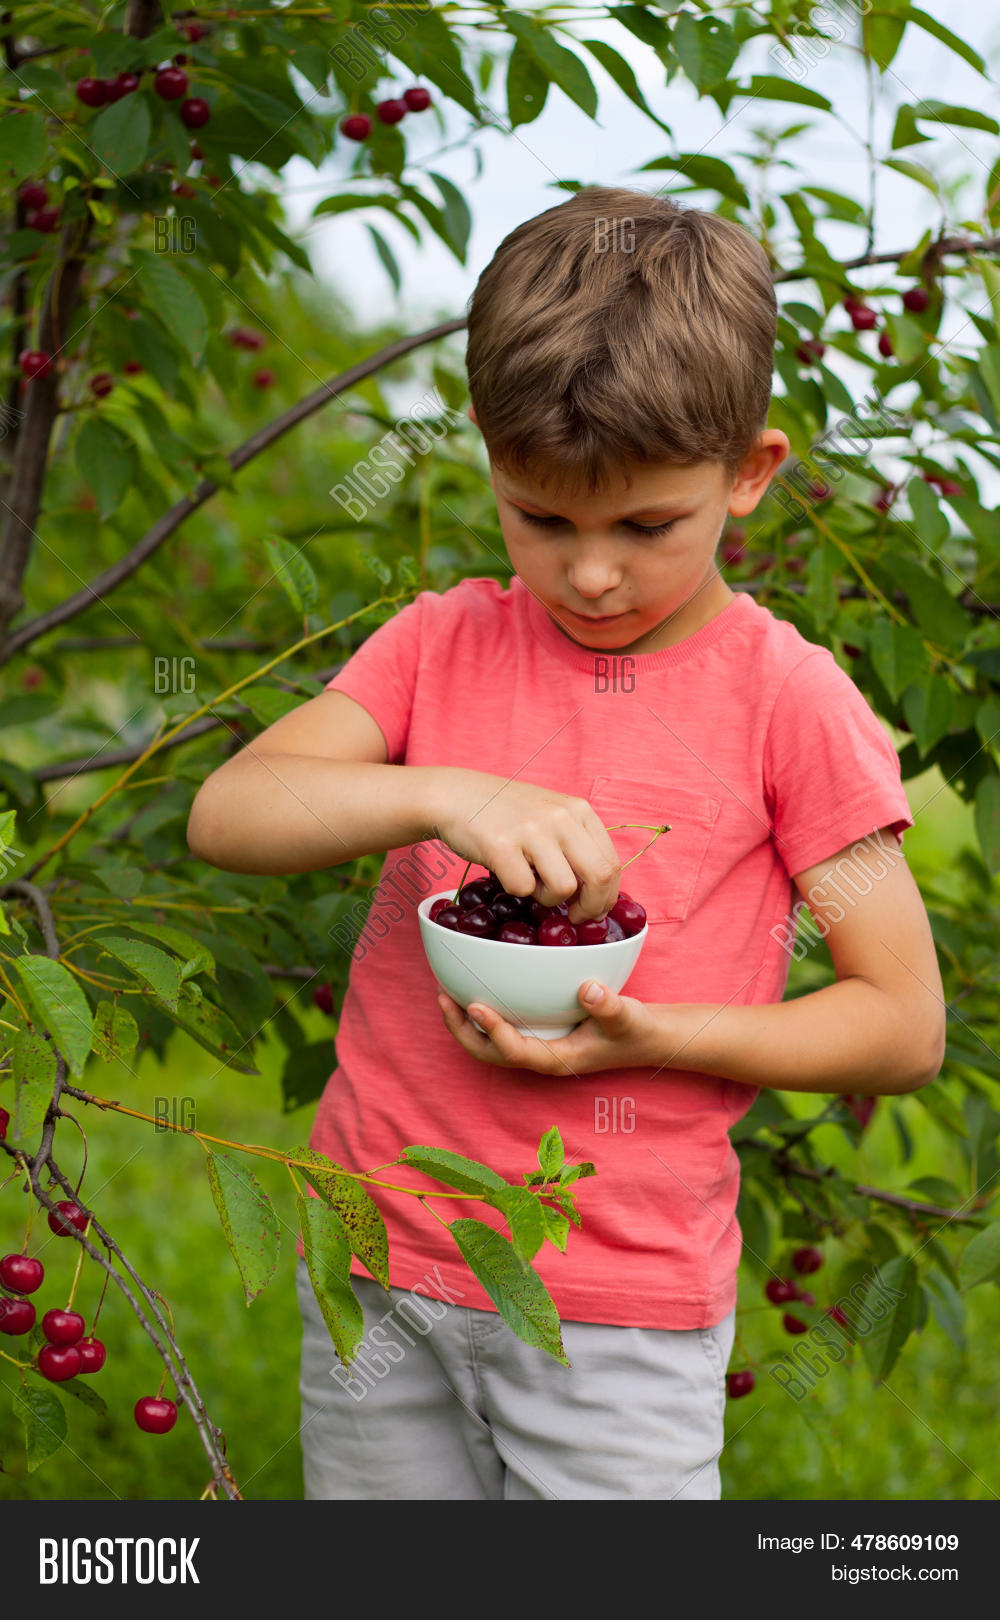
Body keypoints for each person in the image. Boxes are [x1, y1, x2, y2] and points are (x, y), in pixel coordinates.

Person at [185, 185, 946, 1500]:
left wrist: (660, 1037)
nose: (591, 573)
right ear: (489, 462)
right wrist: (444, 794)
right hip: (380, 1254)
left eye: (644, 525)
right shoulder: (436, 646)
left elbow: (899, 1023)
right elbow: (231, 815)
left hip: (619, 1307)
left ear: (749, 474)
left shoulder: (794, 704)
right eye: (542, 519)